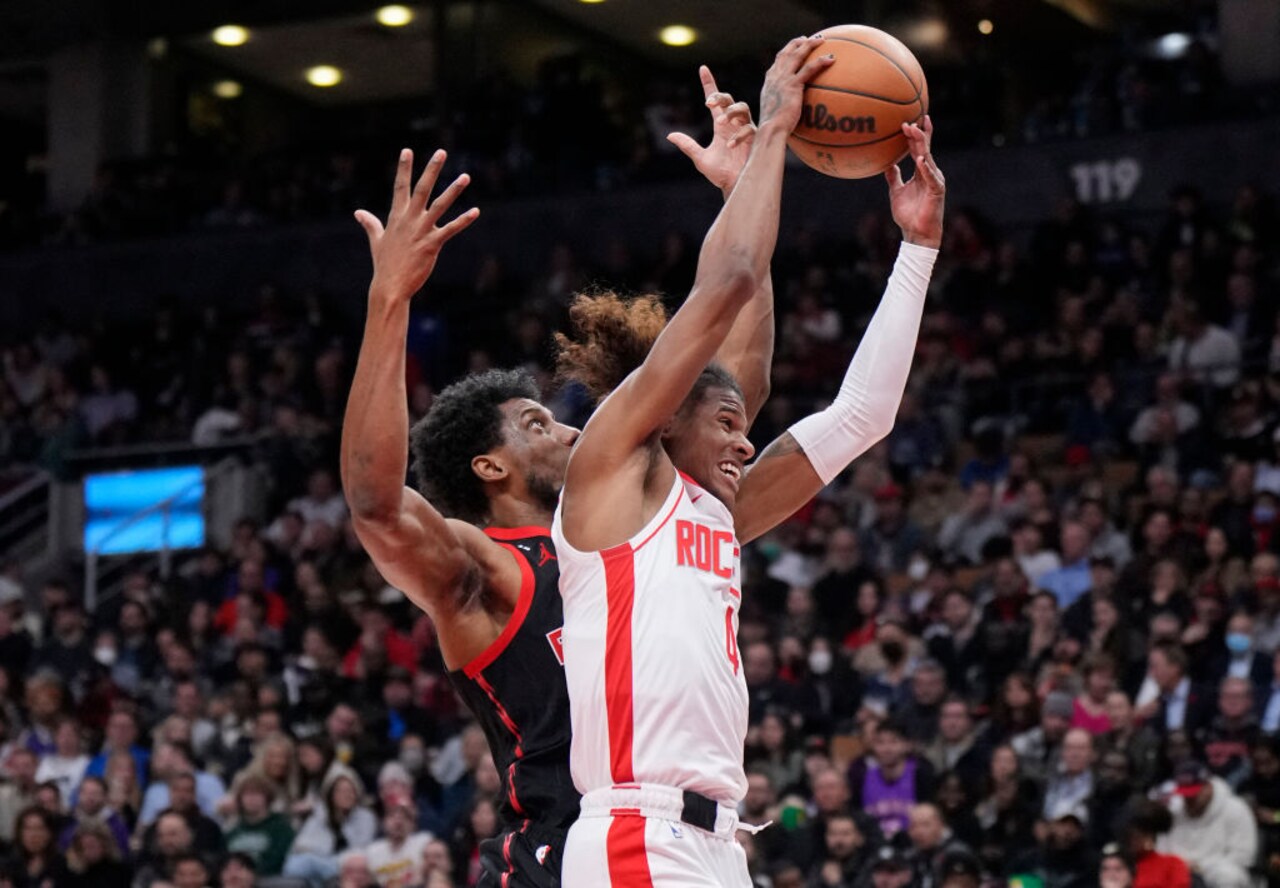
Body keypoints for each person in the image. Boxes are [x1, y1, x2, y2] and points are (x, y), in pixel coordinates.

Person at [341, 62, 782, 888]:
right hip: (554, 850)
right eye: (539, 423)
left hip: (676, 847)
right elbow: (374, 504)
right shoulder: (488, 571)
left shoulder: (635, 528)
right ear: (490, 465)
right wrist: (389, 300)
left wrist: (739, 194)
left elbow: (737, 383)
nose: (572, 427)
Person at [551, 34, 943, 885]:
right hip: (636, 838)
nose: (745, 439)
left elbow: (863, 414)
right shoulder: (610, 470)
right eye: (727, 424)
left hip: (720, 843)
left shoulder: (715, 512)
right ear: (665, 415)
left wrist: (916, 251)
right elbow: (724, 283)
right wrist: (774, 133)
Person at [1158, 759, 1257, 888]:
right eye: (1185, 794)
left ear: (1208, 786)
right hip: (1179, 872)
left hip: (1216, 873)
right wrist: (1180, 867)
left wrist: (1200, 867)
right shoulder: (1173, 810)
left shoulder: (1235, 809)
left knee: (1229, 876)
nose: (1189, 799)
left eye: (1194, 794)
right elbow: (1161, 850)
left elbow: (1243, 856)